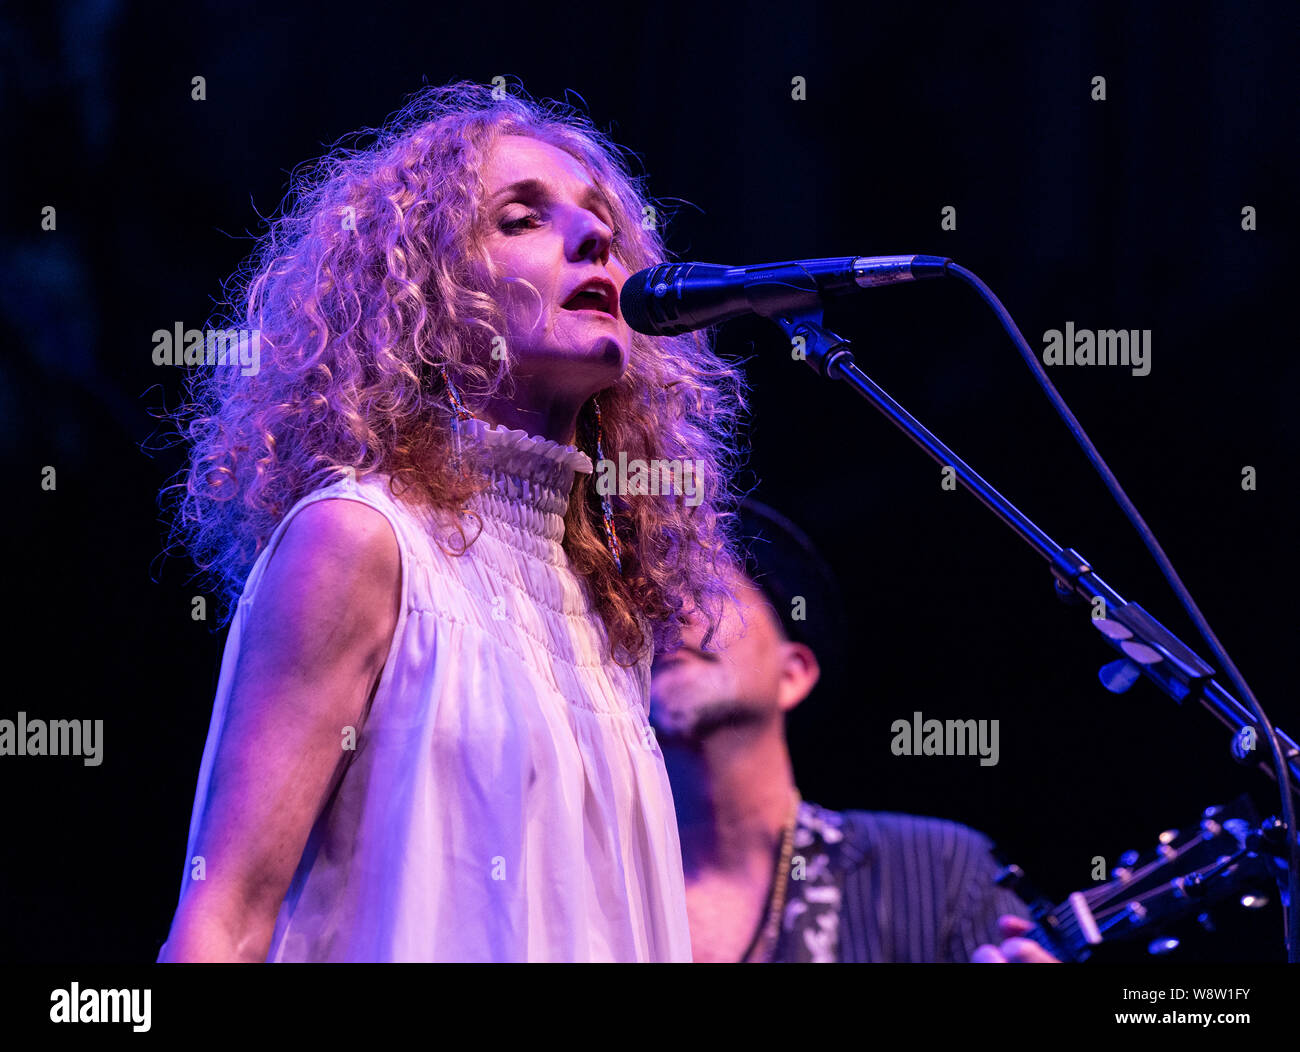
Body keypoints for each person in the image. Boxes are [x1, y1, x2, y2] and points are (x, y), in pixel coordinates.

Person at [156, 82, 746, 962]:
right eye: (521, 219)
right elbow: (225, 919)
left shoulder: (608, 615)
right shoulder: (361, 540)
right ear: (426, 292)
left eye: (604, 227)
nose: (595, 241)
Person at [650, 499, 1059, 963]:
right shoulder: (577, 873)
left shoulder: (938, 871)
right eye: (654, 595)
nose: (672, 609)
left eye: (709, 589)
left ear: (793, 675)